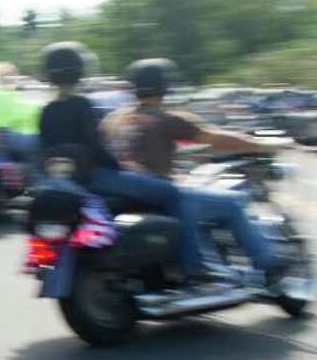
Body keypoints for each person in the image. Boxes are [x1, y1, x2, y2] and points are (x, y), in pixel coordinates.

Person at [37, 41, 207, 278]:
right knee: (171, 192)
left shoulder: (47, 110)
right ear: (79, 70)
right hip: (96, 177)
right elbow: (97, 148)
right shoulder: (83, 106)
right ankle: (193, 264)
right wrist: (122, 166)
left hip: (68, 181)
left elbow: (44, 149)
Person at [103, 58, 283, 281]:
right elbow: (214, 138)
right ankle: (270, 268)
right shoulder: (164, 119)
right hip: (160, 195)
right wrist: (262, 145)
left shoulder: (114, 119)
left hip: (126, 194)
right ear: (164, 87)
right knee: (233, 202)